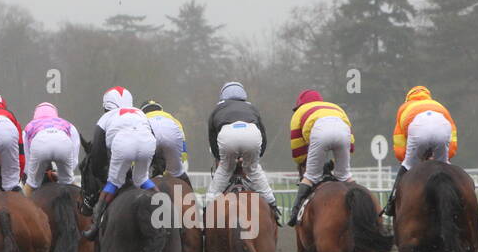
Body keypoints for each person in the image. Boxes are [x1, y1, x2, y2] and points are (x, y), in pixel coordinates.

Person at [81, 86, 157, 240]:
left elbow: (97, 155)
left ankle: (95, 225)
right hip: (148, 143)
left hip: (123, 145)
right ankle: (166, 210)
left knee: (114, 182)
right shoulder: (140, 112)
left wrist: (101, 173)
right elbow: (152, 135)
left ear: (108, 105)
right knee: (142, 179)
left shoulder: (105, 118)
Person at [204, 82, 280, 222]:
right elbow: (263, 136)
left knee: (224, 170)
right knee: (254, 170)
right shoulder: (252, 108)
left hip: (227, 136)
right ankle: (273, 206)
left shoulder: (217, 109)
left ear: (223, 97)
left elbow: (213, 141)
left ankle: (207, 212)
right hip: (252, 134)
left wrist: (222, 160)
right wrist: (255, 159)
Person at [382, 85, 457, 217]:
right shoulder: (438, 105)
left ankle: (391, 202)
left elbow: (400, 150)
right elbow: (453, 142)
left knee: (407, 164)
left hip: (417, 128)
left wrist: (415, 159)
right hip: (442, 127)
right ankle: (457, 199)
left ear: (408, 99)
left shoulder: (404, 108)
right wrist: (442, 158)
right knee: (445, 166)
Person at [287, 89, 355, 226]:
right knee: (345, 176)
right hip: (343, 133)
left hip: (320, 133)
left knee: (311, 176)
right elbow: (351, 146)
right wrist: (334, 163)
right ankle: (359, 205)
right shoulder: (335, 108)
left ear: (300, 104)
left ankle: (295, 213)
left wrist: (303, 163)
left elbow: (298, 149)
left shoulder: (300, 112)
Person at [22, 102, 81, 195]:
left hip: (40, 144)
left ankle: (24, 209)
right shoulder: (68, 125)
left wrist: (33, 176)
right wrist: (64, 174)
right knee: (69, 181)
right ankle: (81, 207)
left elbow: (26, 158)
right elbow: (74, 157)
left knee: (31, 183)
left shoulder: (30, 125)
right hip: (63, 143)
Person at [141, 100, 191, 186]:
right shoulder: (172, 119)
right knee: (179, 174)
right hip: (171, 139)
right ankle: (190, 197)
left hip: (149, 139)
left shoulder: (141, 118)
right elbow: (183, 150)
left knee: (139, 176)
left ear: (143, 111)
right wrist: (178, 168)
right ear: (161, 110)